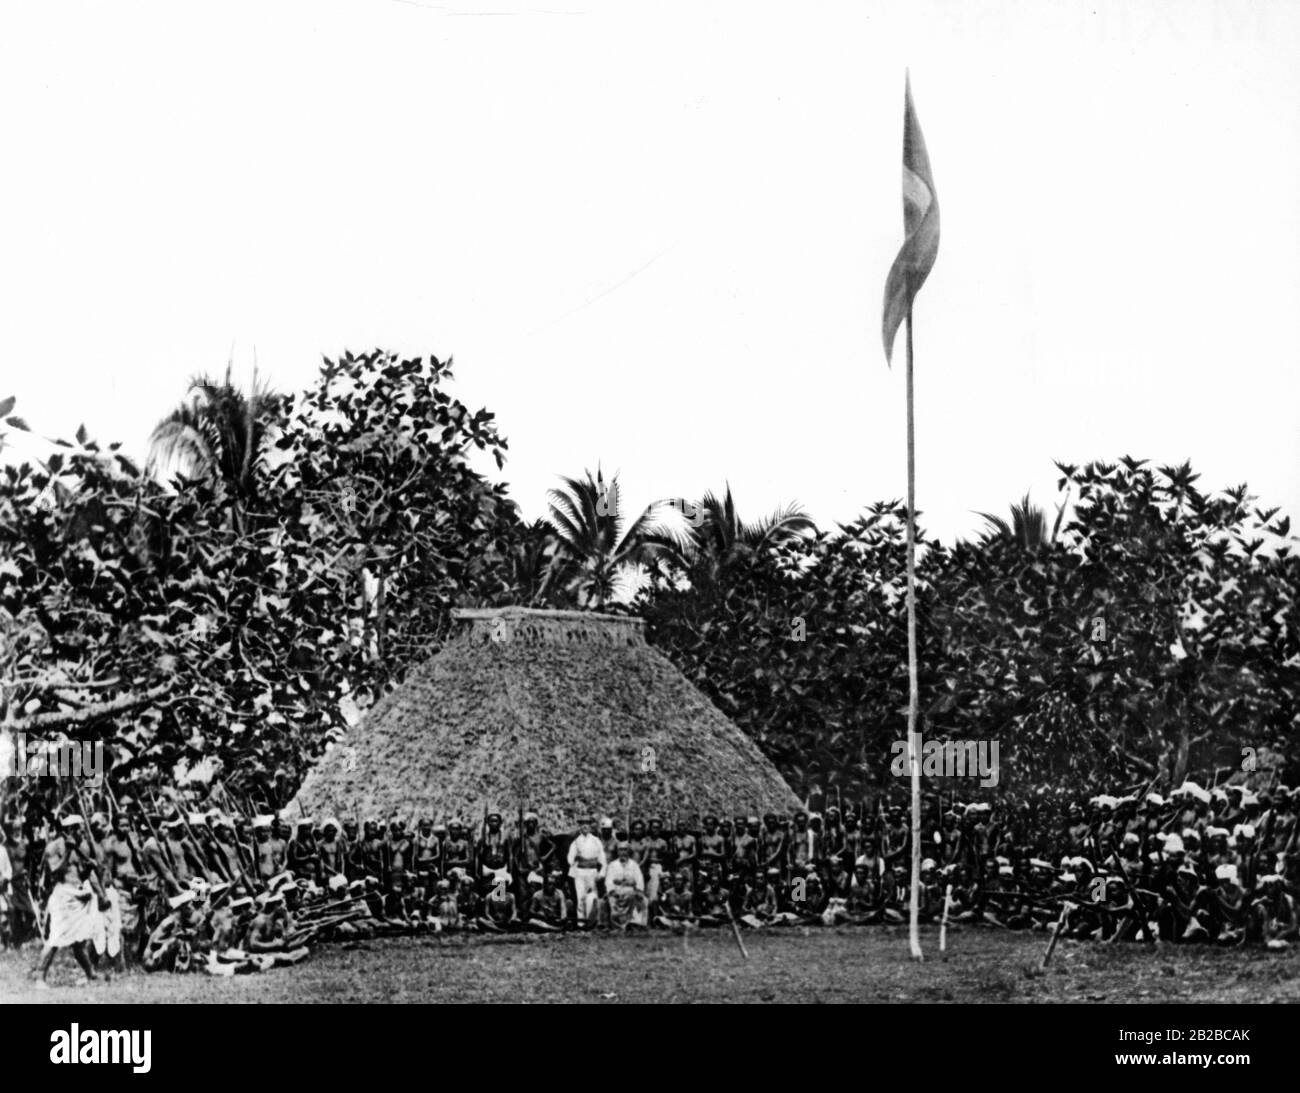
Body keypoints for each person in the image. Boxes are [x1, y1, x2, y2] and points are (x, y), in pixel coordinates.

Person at [35, 816, 107, 987]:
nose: (82, 832)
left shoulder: (83, 846)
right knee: (55, 939)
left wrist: (89, 869)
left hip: (79, 895)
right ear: (70, 830)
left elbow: (81, 875)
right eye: (79, 829)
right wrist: (67, 851)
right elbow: (55, 872)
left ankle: (91, 974)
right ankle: (40, 978)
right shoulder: (53, 847)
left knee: (79, 942)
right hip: (63, 897)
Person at [567, 817, 607, 927]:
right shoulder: (576, 842)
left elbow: (602, 859)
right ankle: (581, 923)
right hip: (580, 872)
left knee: (592, 896)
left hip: (592, 872)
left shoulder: (596, 841)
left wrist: (601, 874)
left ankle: (591, 921)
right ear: (579, 826)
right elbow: (570, 859)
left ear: (590, 826)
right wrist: (578, 859)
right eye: (582, 824)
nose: (585, 826)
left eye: (587, 824)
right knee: (580, 898)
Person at [605, 843, 647, 930]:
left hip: (630, 891)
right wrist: (612, 891)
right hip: (617, 891)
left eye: (625, 850)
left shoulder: (634, 865)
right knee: (611, 901)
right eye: (620, 850)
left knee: (642, 900)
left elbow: (639, 879)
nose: (623, 852)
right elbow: (608, 880)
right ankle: (618, 925)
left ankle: (635, 924)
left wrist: (639, 890)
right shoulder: (612, 865)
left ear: (628, 851)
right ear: (617, 852)